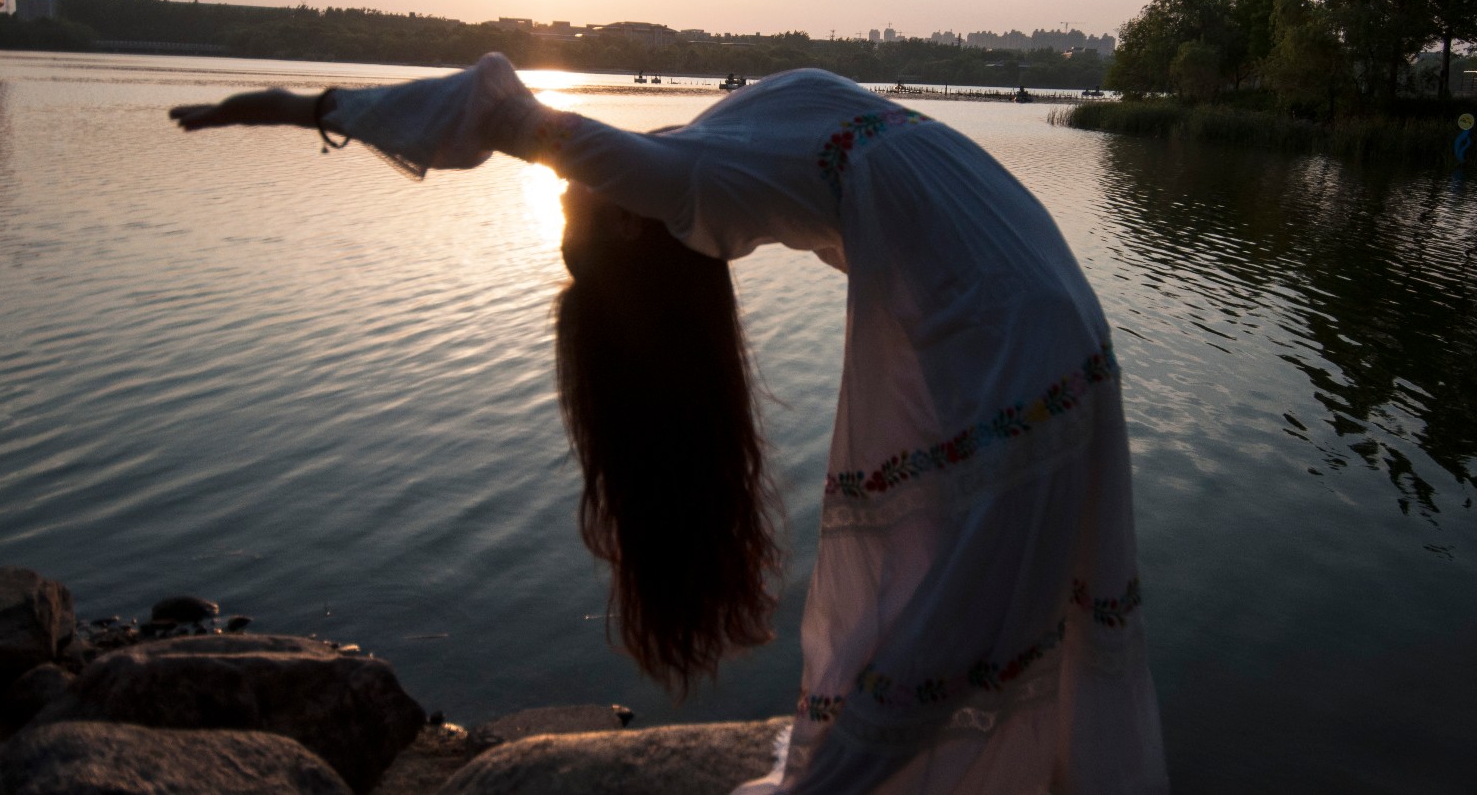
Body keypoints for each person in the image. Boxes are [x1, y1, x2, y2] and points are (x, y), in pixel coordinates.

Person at [171, 54, 1168, 794]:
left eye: (570, 203)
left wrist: (289, 109)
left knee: (949, 618)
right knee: (955, 599)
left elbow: (493, 103)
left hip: (1008, 329)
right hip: (1031, 302)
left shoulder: (688, 171)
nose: (568, 190)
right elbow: (509, 119)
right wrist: (293, 109)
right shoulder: (690, 180)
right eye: (570, 207)